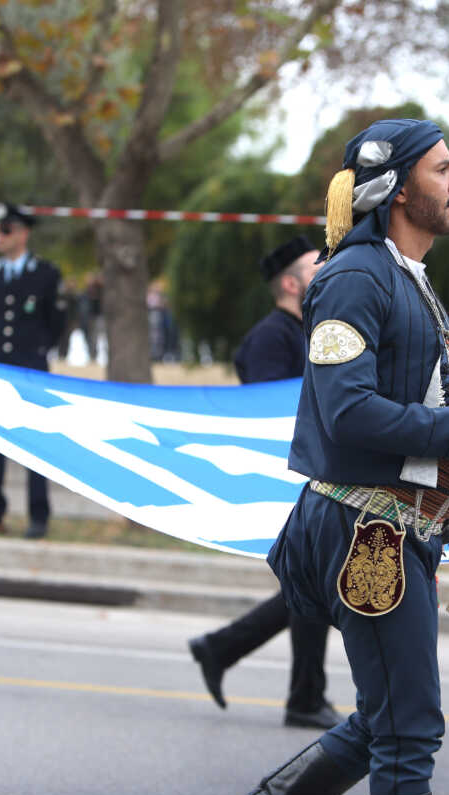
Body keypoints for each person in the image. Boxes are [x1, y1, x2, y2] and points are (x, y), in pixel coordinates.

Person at [245, 118, 449, 795]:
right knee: (408, 733)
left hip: (396, 528)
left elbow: (400, 409)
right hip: (367, 530)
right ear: (398, 189)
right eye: (442, 170)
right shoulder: (355, 278)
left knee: (384, 722)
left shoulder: (403, 275)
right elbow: (348, 412)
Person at [187, 236, 339, 730]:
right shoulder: (271, 339)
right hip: (286, 482)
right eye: (317, 270)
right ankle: (301, 696)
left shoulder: (309, 332)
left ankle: (225, 650)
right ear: (292, 285)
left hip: (312, 477)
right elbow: (267, 417)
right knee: (312, 586)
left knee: (310, 587)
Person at [0, 202, 65, 539]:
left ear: (23, 234)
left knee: (36, 443)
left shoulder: (46, 275)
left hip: (30, 368)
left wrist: (35, 351)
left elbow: (56, 324)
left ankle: (39, 516)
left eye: (5, 230)